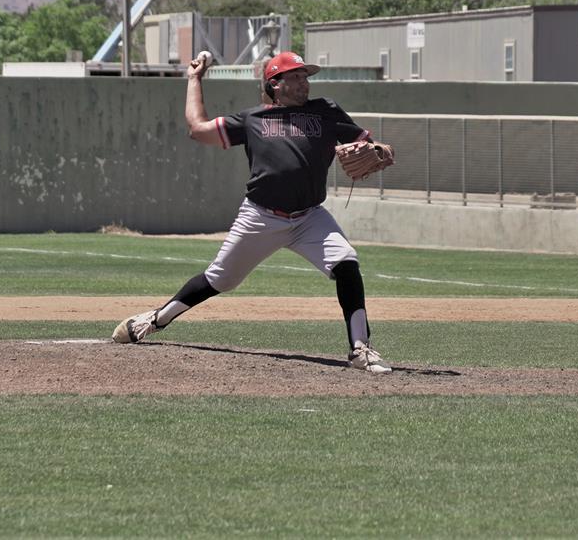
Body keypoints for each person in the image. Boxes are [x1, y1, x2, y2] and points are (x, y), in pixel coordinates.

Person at [111, 51, 398, 373]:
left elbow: (368, 144)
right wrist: (194, 79)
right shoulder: (253, 119)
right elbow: (198, 129)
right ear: (275, 85)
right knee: (220, 279)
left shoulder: (325, 111)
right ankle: (155, 320)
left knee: (346, 263)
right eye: (296, 76)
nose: (305, 82)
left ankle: (360, 348)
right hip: (261, 215)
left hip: (309, 216)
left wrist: (379, 151)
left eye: (306, 76)